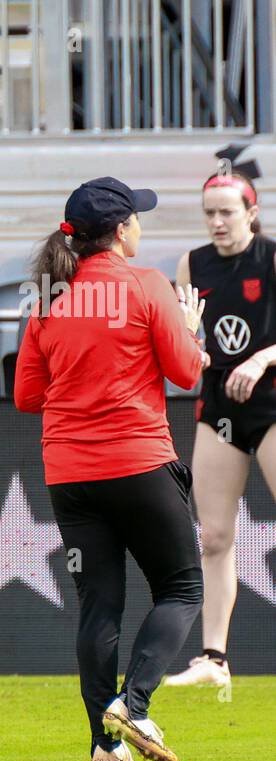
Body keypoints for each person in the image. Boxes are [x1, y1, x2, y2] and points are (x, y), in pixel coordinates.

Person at [15, 176, 206, 761]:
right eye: (137, 220)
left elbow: (27, 395)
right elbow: (188, 374)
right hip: (141, 462)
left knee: (99, 606)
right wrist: (192, 332)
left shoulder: (49, 295)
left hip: (70, 476)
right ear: (121, 232)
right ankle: (136, 705)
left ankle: (103, 745)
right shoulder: (146, 284)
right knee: (181, 588)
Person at [165, 168, 275, 688]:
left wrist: (262, 360)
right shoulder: (193, 263)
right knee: (212, 535)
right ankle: (214, 659)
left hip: (271, 402)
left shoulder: (271, 257)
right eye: (209, 212)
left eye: (227, 211)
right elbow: (186, 333)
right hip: (219, 406)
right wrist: (195, 351)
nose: (216, 221)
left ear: (251, 213)